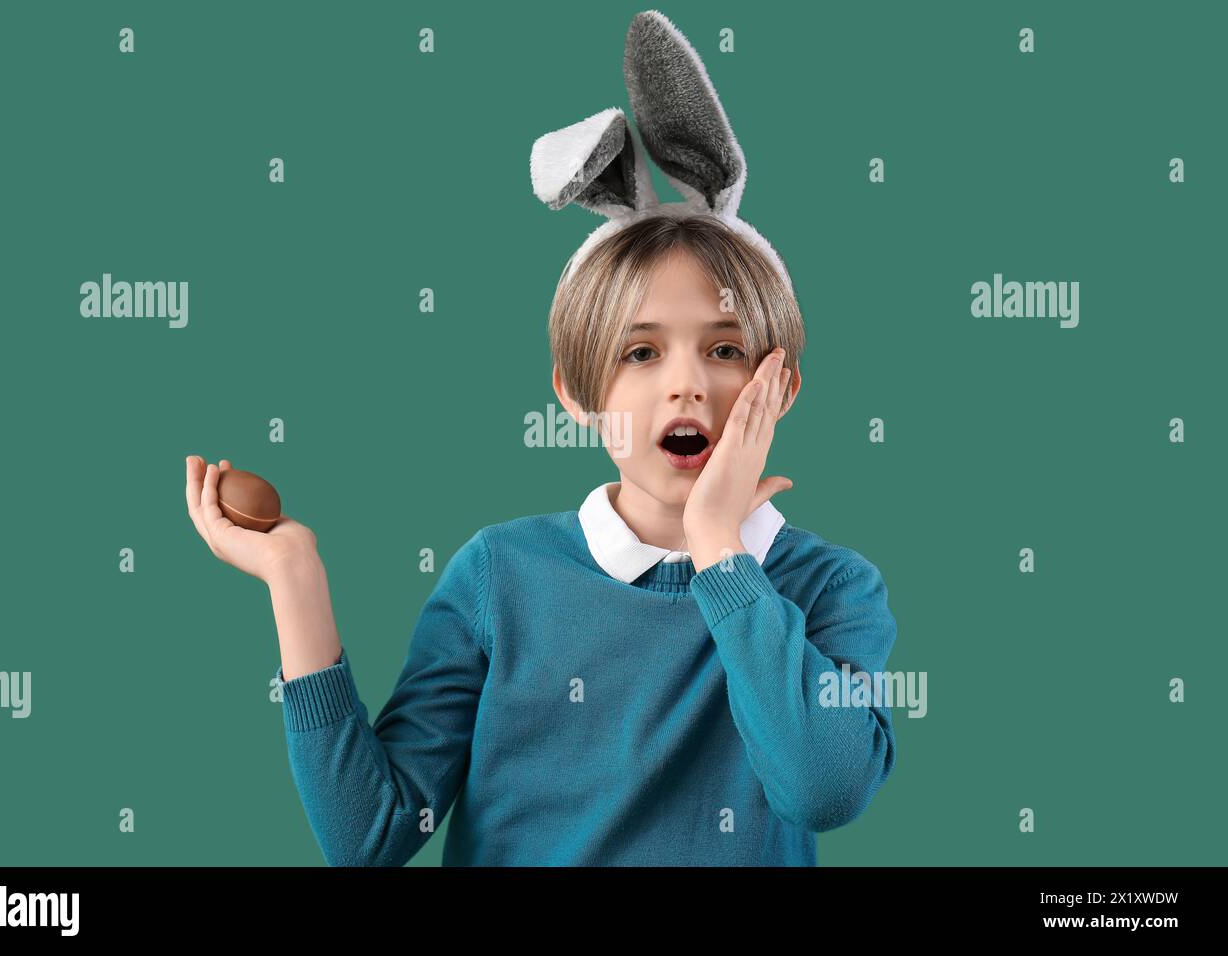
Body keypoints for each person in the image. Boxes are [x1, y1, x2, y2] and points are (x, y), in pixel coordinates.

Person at [183, 211, 898, 866]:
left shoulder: (831, 586)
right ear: (578, 393)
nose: (688, 384)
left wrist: (719, 547)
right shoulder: (499, 574)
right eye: (641, 352)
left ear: (782, 387)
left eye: (725, 348)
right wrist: (294, 576)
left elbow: (824, 791)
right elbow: (371, 835)